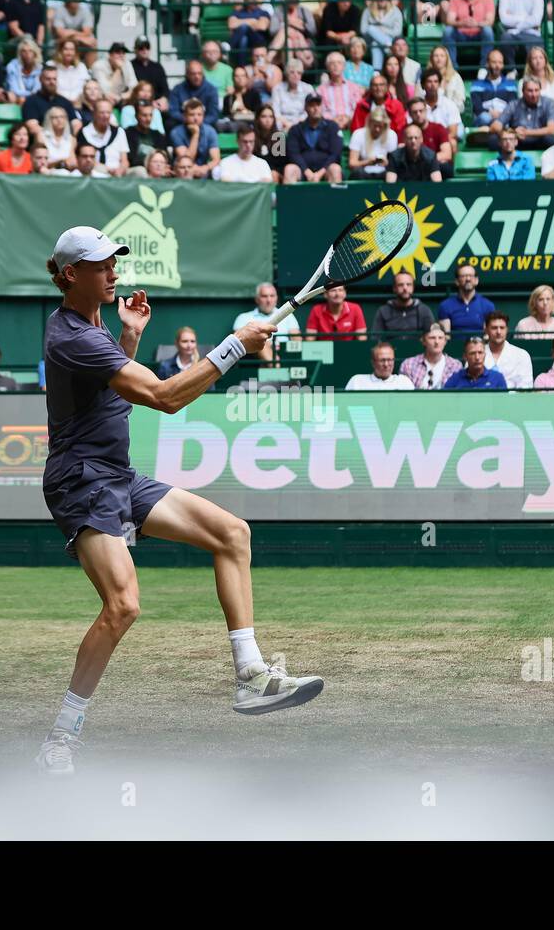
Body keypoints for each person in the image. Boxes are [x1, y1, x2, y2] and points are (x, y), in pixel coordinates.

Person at [33, 226, 322, 775]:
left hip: (117, 472)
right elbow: (164, 398)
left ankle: (251, 675)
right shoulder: (69, 333)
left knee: (233, 534)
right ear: (71, 275)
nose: (113, 271)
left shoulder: (93, 323)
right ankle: (61, 738)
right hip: (81, 480)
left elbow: (109, 393)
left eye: (114, 261)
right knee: (123, 607)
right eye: (100, 265)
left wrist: (131, 339)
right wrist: (237, 345)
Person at [233, 282, 301, 362]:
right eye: (264, 296)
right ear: (257, 299)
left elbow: (297, 341)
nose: (269, 300)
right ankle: (276, 369)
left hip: (285, 357)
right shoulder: (243, 318)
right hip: (256, 359)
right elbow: (238, 342)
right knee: (259, 341)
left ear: (276, 298)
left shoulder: (288, 316)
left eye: (272, 296)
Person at [283, 93, 344, 183]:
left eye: (318, 105)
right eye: (312, 105)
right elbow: (294, 154)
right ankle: (290, 197)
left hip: (326, 170)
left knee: (335, 169)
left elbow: (335, 154)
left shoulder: (332, 127)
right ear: (306, 108)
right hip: (302, 170)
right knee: (289, 169)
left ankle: (336, 197)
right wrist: (307, 172)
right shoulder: (296, 129)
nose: (316, 109)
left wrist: (320, 173)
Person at [442, 0, 496, 69]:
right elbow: (449, 20)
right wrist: (462, 23)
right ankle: (452, 68)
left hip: (479, 34)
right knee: (448, 31)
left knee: (488, 31)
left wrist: (477, 24)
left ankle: (484, 68)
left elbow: (490, 21)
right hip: (461, 34)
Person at [493, 77, 554, 151]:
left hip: (540, 139)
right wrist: (513, 132)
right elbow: (496, 126)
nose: (534, 94)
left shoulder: (549, 103)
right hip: (517, 141)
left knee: (551, 140)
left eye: (536, 90)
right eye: (530, 91)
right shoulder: (513, 104)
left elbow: (552, 129)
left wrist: (526, 132)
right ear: (523, 91)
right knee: (493, 140)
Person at [498, 0, 543, 68]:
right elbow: (504, 19)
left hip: (532, 33)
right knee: (504, 39)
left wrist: (515, 21)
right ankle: (511, 70)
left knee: (537, 42)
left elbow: (536, 19)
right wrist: (526, 18)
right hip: (511, 34)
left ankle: (531, 71)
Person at [372, 271, 435, 337]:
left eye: (408, 284)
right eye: (400, 285)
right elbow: (376, 339)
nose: (405, 288)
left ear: (413, 287)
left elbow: (432, 337)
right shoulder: (383, 311)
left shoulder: (424, 310)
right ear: (394, 288)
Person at [400, 324, 462, 390]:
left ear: (445, 341)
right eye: (432, 338)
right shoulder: (408, 365)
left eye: (440, 338)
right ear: (423, 341)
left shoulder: (455, 366)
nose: (437, 342)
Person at [480, 311, 533, 389]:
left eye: (502, 328)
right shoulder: (476, 353)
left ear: (507, 329)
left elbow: (526, 388)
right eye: (494, 328)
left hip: (513, 400)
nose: (498, 332)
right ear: (486, 330)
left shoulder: (522, 355)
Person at [437, 264, 495, 334]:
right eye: (463, 276)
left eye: (471, 276)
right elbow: (446, 336)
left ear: (476, 280)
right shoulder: (445, 306)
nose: (468, 279)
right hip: (455, 344)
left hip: (480, 344)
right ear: (457, 281)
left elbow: (488, 336)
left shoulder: (488, 306)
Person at [170, 97, 218, 179]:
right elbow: (187, 159)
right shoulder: (176, 132)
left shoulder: (210, 131)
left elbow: (216, 159)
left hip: (203, 169)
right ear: (184, 116)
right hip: (183, 170)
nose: (196, 118)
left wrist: (205, 168)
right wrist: (195, 134)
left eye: (199, 115)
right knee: (186, 171)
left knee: (216, 170)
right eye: (192, 115)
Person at [317, 50, 363, 131]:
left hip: (352, 125)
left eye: (339, 63)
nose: (335, 65)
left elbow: (358, 108)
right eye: (332, 63)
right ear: (327, 67)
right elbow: (320, 110)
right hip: (328, 127)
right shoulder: (321, 90)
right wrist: (333, 120)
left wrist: (348, 118)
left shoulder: (354, 87)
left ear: (344, 66)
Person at [348, 105, 397, 179]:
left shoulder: (391, 135)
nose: (377, 129)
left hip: (384, 171)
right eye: (375, 126)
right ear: (369, 123)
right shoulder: (358, 134)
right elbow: (352, 163)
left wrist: (386, 163)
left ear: (385, 125)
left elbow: (394, 162)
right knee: (357, 173)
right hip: (363, 170)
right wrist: (367, 162)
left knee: (392, 174)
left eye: (380, 126)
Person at [169, 60, 221, 128]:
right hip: (182, 124)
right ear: (187, 74)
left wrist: (199, 122)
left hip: (204, 124)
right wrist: (188, 120)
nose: (197, 77)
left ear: (203, 74)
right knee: (169, 123)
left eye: (199, 73)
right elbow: (173, 111)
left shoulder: (211, 90)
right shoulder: (177, 89)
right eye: (193, 74)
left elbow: (213, 115)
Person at [444, 338, 508, 390]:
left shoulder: (497, 378)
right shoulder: (455, 378)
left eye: (480, 353)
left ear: (485, 355)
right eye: (472, 353)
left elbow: (504, 403)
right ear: (465, 357)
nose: (477, 357)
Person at [345, 342, 415, 389]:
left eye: (390, 360)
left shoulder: (404, 382)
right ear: (373, 363)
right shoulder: (357, 381)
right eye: (382, 360)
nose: (386, 364)